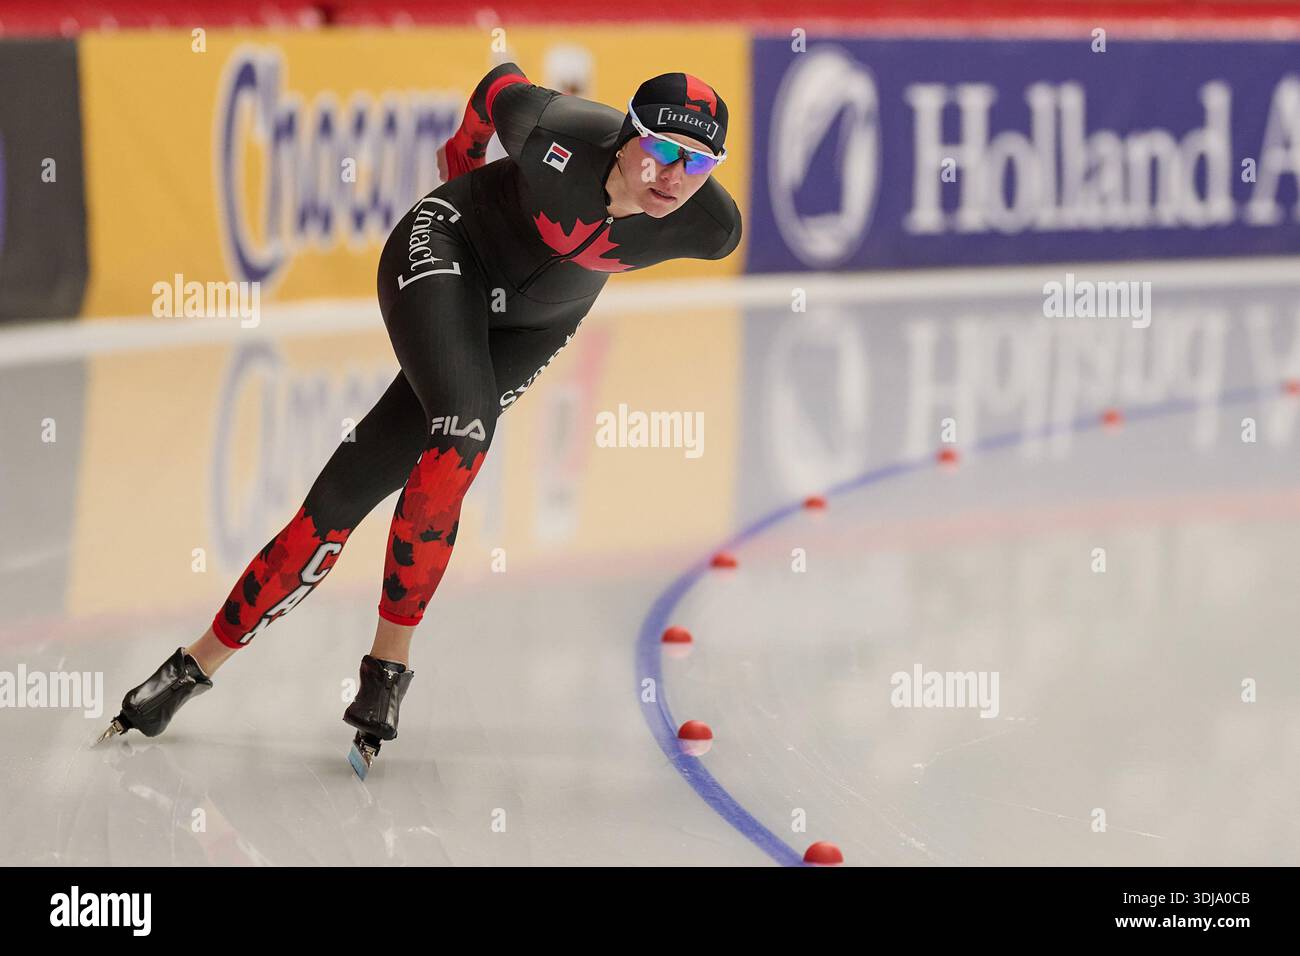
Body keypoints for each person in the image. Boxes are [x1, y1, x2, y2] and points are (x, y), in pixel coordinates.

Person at [98, 64, 742, 775]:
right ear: (627, 134)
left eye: (700, 161)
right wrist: (463, 154)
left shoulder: (710, 225)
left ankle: (190, 666)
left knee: (346, 498)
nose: (676, 176)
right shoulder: (558, 131)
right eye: (664, 150)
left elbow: (689, 200)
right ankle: (387, 668)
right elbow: (501, 83)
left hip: (530, 326)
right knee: (467, 428)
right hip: (447, 248)